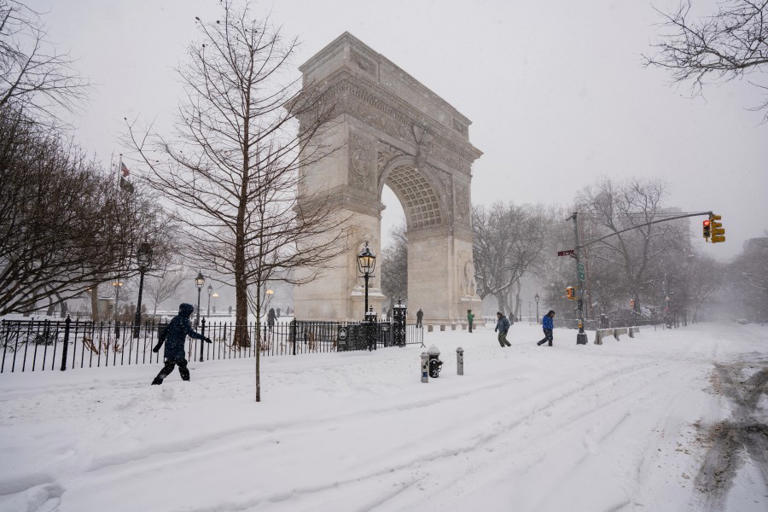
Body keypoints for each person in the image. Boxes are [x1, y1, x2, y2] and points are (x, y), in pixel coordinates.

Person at [151, 303, 211, 385]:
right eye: (190, 312)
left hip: (170, 346)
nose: (190, 314)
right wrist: (204, 338)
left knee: (171, 365)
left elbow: (165, 332)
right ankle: (186, 383)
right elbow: (191, 334)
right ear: (186, 312)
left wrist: (158, 345)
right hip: (177, 347)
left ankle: (157, 381)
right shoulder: (184, 321)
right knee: (180, 364)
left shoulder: (175, 319)